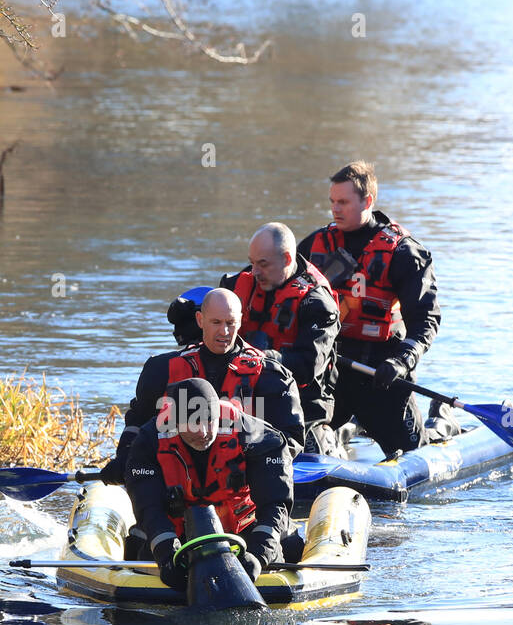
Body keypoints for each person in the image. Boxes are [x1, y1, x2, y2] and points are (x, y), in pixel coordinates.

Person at [297, 160, 457, 457]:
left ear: (367, 201)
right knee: (303, 436)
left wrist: (401, 362)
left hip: (382, 374)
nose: (335, 209)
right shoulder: (316, 245)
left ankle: (442, 422)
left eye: (343, 202)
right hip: (333, 370)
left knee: (412, 451)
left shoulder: (404, 253)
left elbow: (426, 320)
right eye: (332, 201)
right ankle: (344, 428)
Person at [100, 288, 304, 485]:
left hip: (242, 488)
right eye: (216, 322)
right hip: (177, 484)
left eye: (230, 323)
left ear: (240, 322)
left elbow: (291, 439)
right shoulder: (160, 369)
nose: (224, 331)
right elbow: (137, 422)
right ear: (200, 320)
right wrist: (125, 459)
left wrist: (258, 462)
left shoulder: (271, 375)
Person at [124, 377, 302, 590]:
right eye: (192, 423)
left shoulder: (259, 438)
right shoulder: (149, 441)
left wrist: (259, 555)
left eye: (209, 421)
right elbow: (149, 508)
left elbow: (275, 504)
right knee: (141, 543)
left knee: (284, 543)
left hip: (244, 535)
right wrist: (166, 556)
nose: (203, 432)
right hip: (178, 537)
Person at [218, 223, 340, 451]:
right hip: (243, 400)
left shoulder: (317, 303)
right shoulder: (237, 285)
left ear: (286, 258)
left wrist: (259, 357)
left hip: (300, 405)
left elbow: (307, 366)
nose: (254, 271)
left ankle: (331, 440)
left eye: (262, 264)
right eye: (252, 262)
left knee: (308, 452)